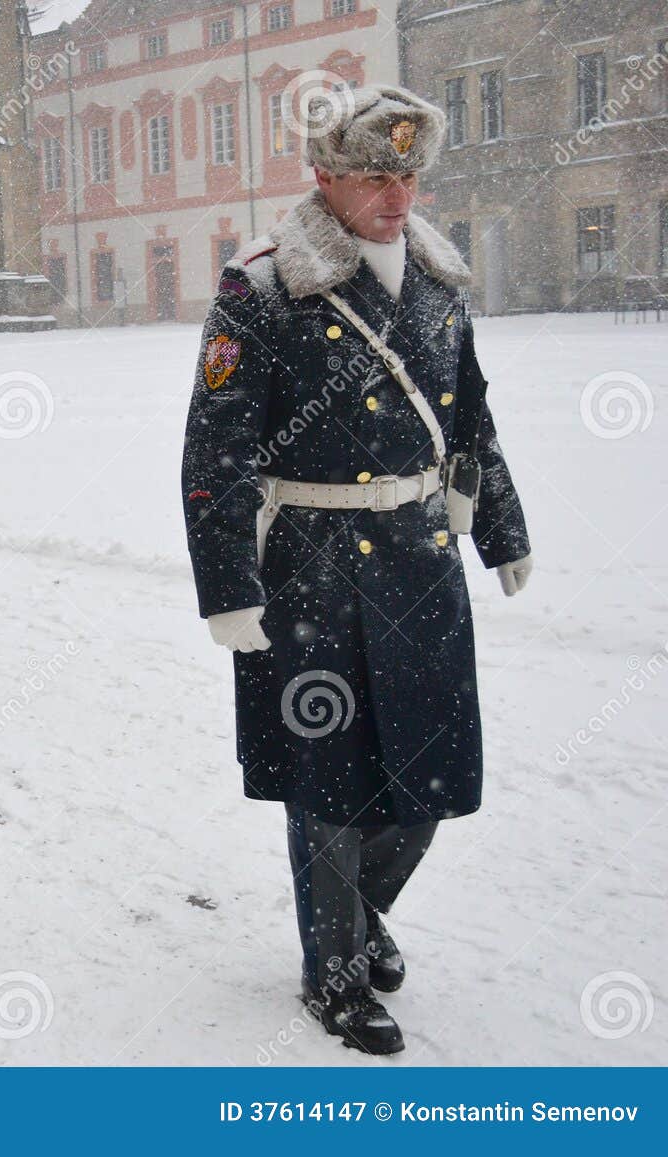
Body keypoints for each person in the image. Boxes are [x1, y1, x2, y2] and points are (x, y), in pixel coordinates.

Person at [179, 85, 533, 1054]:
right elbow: (215, 448)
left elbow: (469, 415)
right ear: (324, 177)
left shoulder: (436, 278)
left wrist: (501, 526)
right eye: (376, 175)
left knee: (427, 779)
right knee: (328, 779)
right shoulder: (260, 287)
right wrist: (227, 589)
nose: (396, 193)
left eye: (409, 174)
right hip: (307, 570)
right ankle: (332, 972)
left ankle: (360, 916)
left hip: (419, 562)